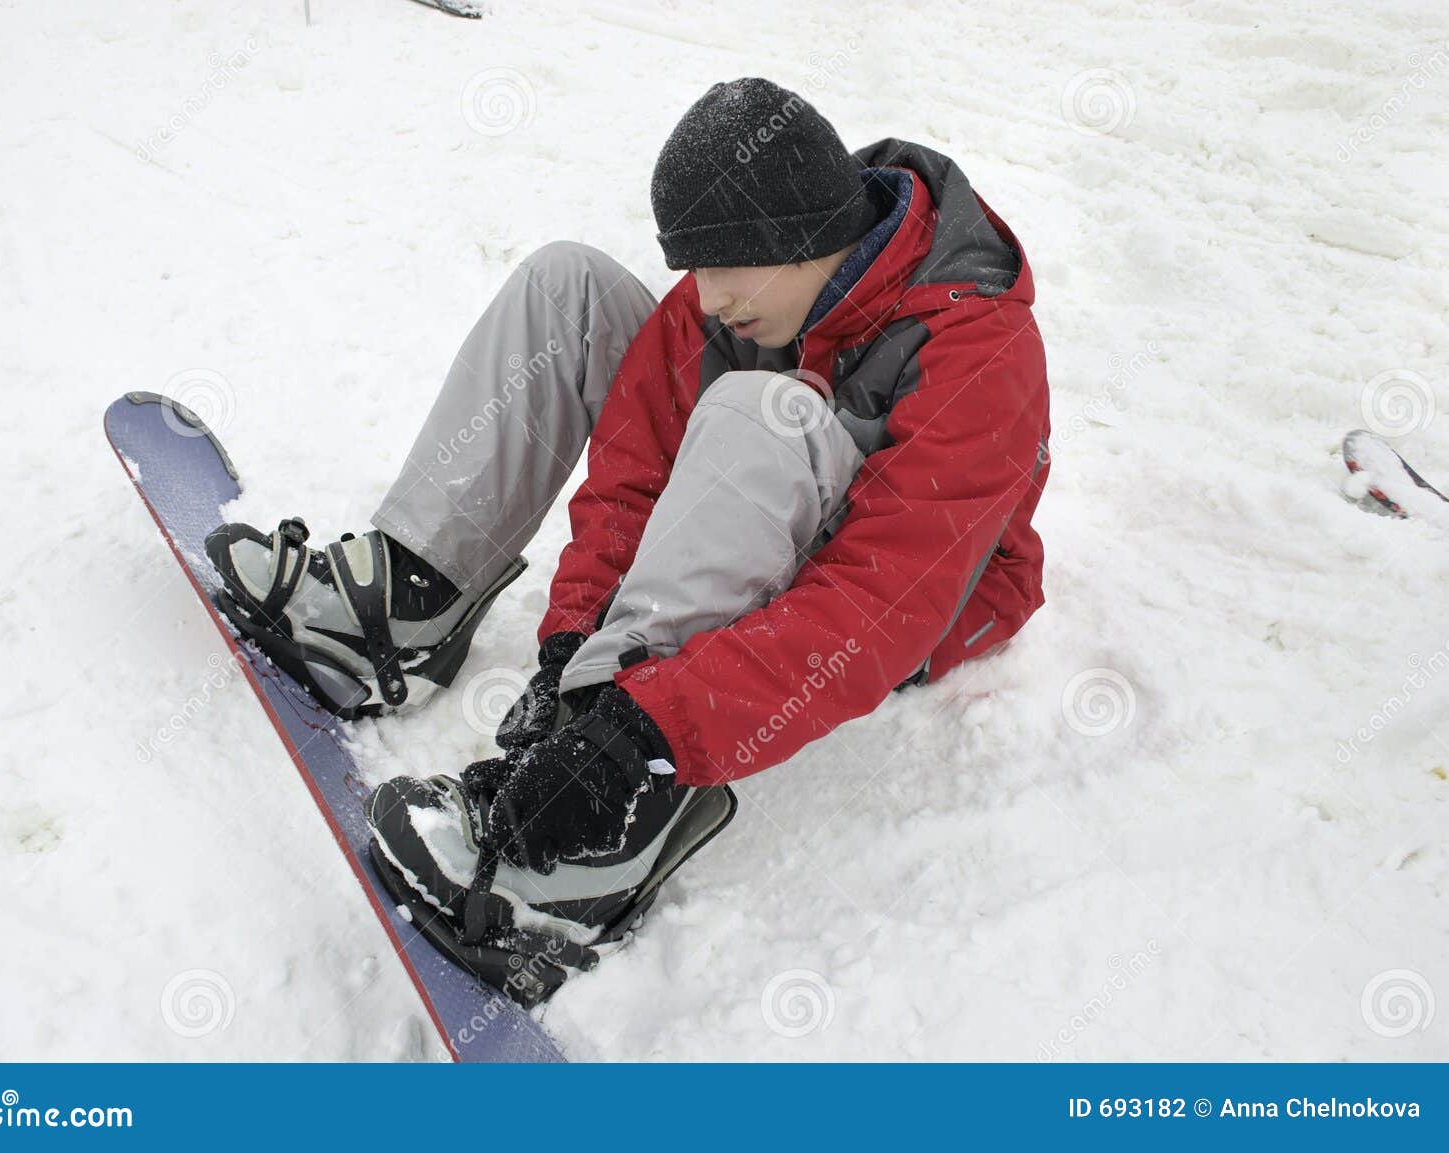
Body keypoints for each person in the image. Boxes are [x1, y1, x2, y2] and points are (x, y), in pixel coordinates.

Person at [207, 78, 1052, 979]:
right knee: (569, 283)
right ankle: (411, 591)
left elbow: (878, 605)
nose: (708, 296)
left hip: (907, 599)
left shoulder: (980, 350)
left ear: (795, 237)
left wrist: (636, 734)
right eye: (697, 267)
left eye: (722, 270)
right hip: (760, 496)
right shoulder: (742, 282)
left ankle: (607, 831)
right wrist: (573, 635)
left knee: (766, 410)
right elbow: (635, 467)